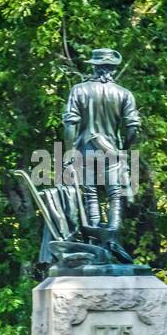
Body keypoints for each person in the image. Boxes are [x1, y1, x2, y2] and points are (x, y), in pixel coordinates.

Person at [61, 48, 141, 231]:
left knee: (91, 194)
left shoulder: (79, 90)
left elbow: (70, 125)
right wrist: (125, 151)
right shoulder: (124, 94)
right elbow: (133, 130)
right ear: (112, 69)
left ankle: (96, 232)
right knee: (115, 194)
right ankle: (112, 233)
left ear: (94, 67)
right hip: (112, 150)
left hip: (86, 148)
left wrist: (70, 152)